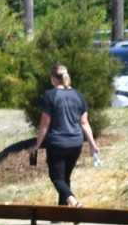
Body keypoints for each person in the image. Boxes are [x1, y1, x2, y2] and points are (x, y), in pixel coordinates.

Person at [28, 64, 99, 208]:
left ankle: (74, 202)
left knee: (56, 177)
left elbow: (45, 123)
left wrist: (37, 144)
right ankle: (62, 214)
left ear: (53, 79)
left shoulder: (50, 95)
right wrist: (93, 145)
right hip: (76, 144)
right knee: (65, 178)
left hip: (58, 143)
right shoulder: (79, 95)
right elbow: (84, 123)